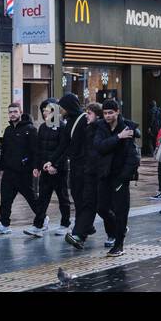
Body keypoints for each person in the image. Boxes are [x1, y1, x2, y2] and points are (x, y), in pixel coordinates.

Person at [90, 99, 140, 256]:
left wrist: (124, 177)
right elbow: (99, 147)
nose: (107, 116)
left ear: (117, 112)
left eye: (110, 112)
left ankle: (119, 244)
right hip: (104, 174)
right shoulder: (100, 127)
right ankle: (119, 228)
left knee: (121, 210)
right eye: (105, 113)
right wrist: (118, 137)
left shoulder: (128, 128)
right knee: (102, 208)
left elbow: (133, 156)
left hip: (120, 176)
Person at [25, 99, 73, 237]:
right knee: (42, 198)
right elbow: (39, 149)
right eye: (44, 110)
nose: (44, 112)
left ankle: (65, 224)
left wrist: (55, 165)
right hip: (45, 169)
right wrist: (37, 166)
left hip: (59, 170)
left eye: (47, 110)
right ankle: (38, 225)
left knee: (63, 197)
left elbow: (64, 149)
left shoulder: (63, 127)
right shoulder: (43, 127)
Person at [46, 93, 92, 233]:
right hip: (76, 165)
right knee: (77, 197)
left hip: (86, 166)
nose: (60, 110)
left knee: (87, 200)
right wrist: (51, 161)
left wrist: (54, 161)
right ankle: (83, 227)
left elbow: (71, 146)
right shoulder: (69, 122)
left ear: (69, 107)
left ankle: (83, 228)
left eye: (62, 107)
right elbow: (63, 146)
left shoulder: (84, 120)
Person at [0, 103, 37, 235]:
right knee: (5, 199)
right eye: (10, 112)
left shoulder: (30, 129)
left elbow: (35, 151)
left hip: (24, 172)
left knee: (31, 198)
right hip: (9, 172)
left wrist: (35, 167)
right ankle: (4, 224)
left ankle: (42, 218)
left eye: (15, 112)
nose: (12, 114)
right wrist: (0, 168)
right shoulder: (8, 130)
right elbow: (5, 151)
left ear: (21, 112)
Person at [65, 104, 104, 249]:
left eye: (89, 113)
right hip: (89, 172)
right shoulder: (88, 129)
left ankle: (117, 231)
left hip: (103, 174)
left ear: (98, 115)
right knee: (88, 203)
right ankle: (79, 235)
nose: (86, 116)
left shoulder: (103, 129)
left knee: (104, 208)